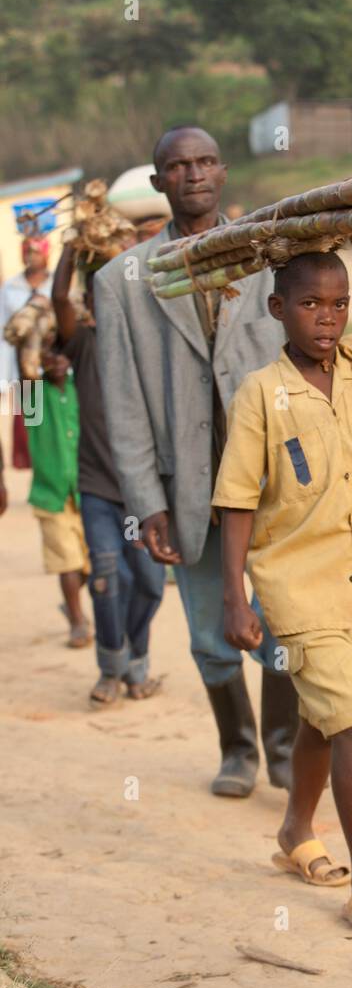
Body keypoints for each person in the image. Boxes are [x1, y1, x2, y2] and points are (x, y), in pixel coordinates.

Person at [95, 125, 300, 796]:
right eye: (177, 166)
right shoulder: (122, 281)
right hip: (189, 488)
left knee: (279, 622)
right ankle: (237, 748)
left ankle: (282, 747)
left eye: (206, 161)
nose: (193, 175)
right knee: (211, 626)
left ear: (224, 172)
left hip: (270, 481)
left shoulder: (269, 252)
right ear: (158, 184)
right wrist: (144, 498)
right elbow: (122, 401)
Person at [213, 240, 352, 925]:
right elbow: (236, 497)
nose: (327, 318)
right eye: (310, 304)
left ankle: (296, 829)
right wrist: (235, 596)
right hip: (296, 591)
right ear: (278, 309)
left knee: (322, 717)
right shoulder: (260, 395)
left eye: (339, 304)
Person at [53, 243, 166, 707]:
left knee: (149, 583)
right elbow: (61, 301)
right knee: (105, 575)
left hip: (144, 493)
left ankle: (135, 663)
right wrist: (69, 246)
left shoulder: (153, 343)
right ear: (92, 307)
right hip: (96, 486)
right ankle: (110, 667)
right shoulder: (84, 342)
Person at [27, 338, 92, 648]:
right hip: (50, 493)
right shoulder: (31, 395)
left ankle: (71, 601)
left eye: (60, 351)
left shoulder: (82, 386)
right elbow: (26, 371)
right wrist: (25, 342)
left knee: (89, 564)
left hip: (86, 490)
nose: (56, 359)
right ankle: (78, 620)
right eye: (47, 353)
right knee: (66, 561)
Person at [0, 237, 52, 471]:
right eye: (27, 252)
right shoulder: (10, 288)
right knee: (32, 423)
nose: (32, 257)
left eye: (37, 252)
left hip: (53, 364)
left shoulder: (56, 285)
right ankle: (39, 474)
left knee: (56, 422)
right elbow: (4, 331)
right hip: (25, 369)